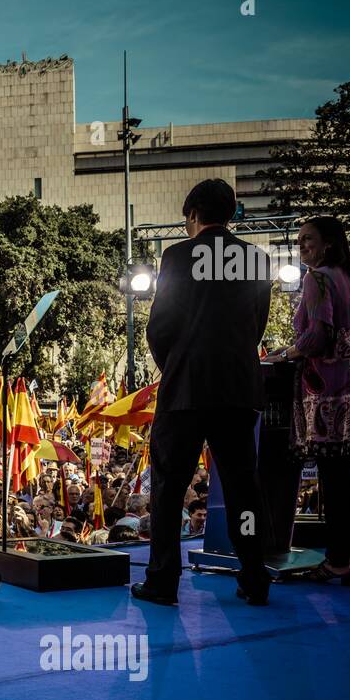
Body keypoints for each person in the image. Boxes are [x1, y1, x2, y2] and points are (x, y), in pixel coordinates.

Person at [136, 177, 272, 607]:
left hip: (186, 390)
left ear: (193, 215)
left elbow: (159, 327)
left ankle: (163, 581)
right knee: (242, 487)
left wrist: (175, 365)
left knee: (168, 485)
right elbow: (257, 324)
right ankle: (254, 575)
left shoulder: (177, 256)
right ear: (230, 214)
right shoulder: (257, 259)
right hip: (237, 388)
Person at [270, 216, 350, 584]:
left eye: (309, 240)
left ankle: (336, 560)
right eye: (300, 240)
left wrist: (287, 352)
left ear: (330, 244)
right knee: (345, 473)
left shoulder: (316, 278)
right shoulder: (349, 278)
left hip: (329, 382)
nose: (302, 247)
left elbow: (318, 335)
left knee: (333, 475)